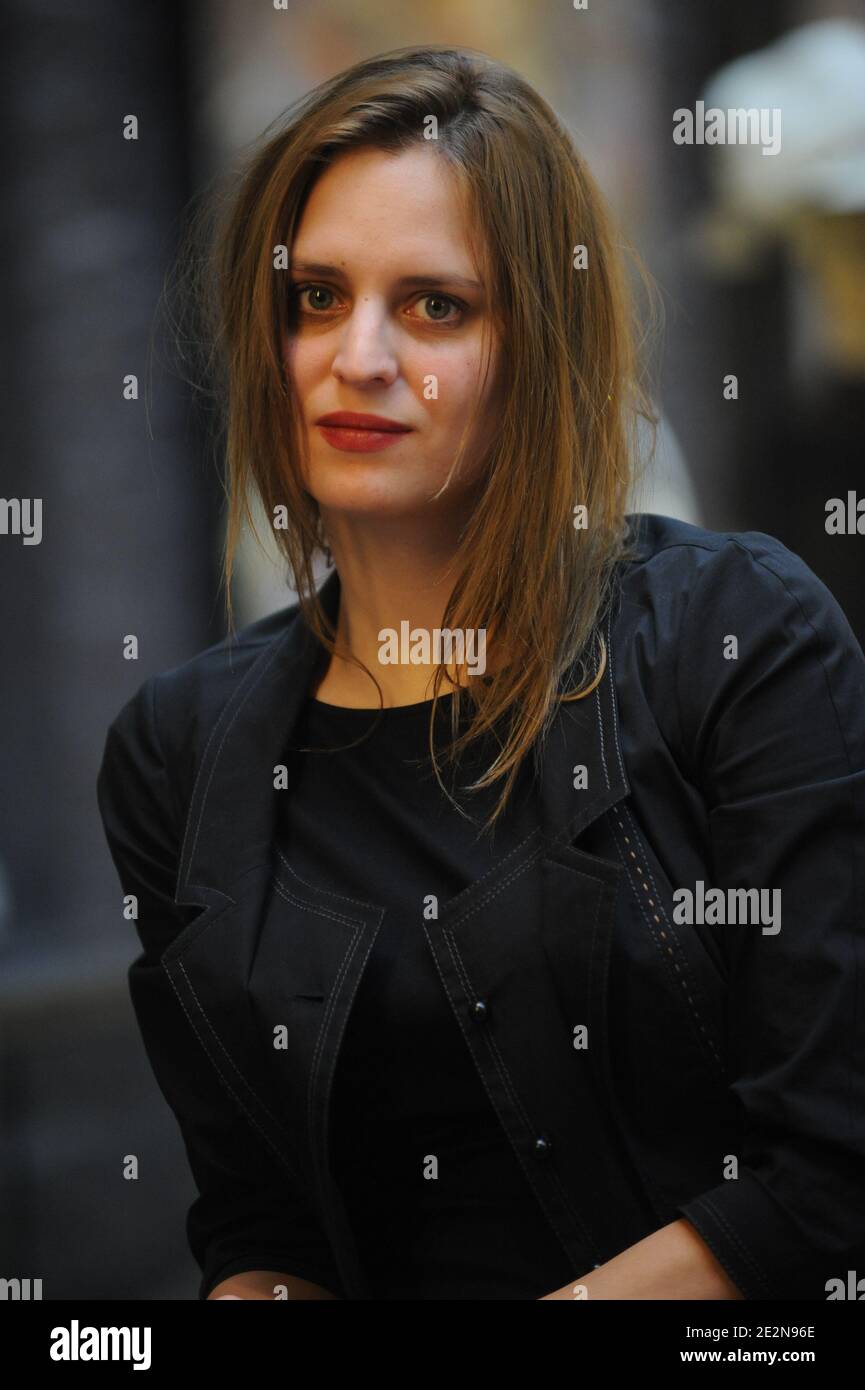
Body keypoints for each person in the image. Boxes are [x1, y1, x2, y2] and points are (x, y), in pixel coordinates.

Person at [96, 45, 865, 1301]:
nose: (360, 356)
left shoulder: (736, 633)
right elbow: (258, 1221)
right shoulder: (177, 753)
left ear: (536, 349)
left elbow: (830, 1171)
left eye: (435, 306)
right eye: (318, 297)